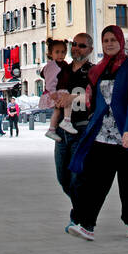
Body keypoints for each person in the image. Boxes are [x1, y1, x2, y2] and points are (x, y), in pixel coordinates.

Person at [66, 26, 128, 240]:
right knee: (95, 182)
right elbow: (96, 102)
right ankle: (86, 224)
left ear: (121, 42)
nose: (109, 43)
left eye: (113, 39)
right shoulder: (99, 70)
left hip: (126, 136)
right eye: (105, 40)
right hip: (102, 135)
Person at [54, 33, 95, 211]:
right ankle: (81, 208)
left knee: (77, 176)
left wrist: (73, 98)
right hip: (61, 129)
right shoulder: (63, 70)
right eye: (74, 44)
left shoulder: (93, 71)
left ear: (90, 50)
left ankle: (80, 215)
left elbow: (97, 97)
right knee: (63, 178)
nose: (76, 48)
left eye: (82, 45)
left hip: (81, 128)